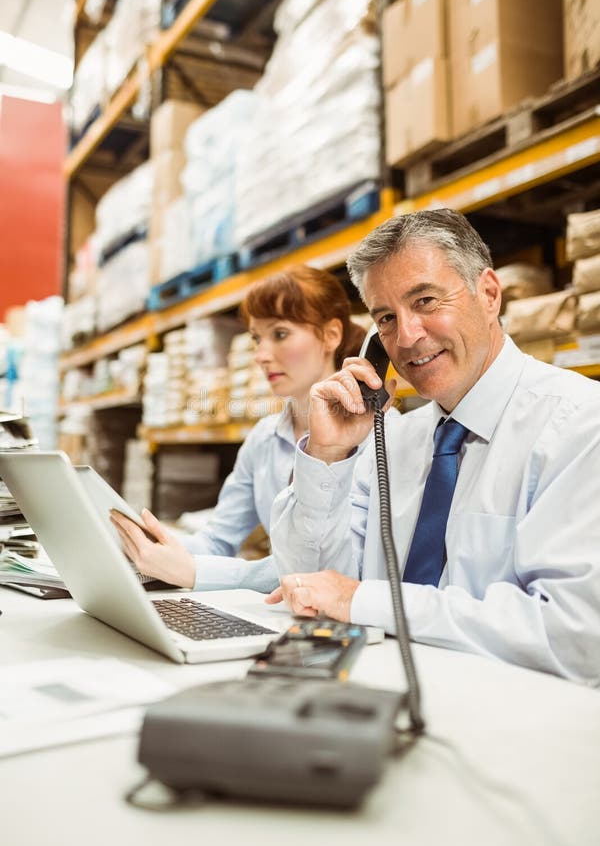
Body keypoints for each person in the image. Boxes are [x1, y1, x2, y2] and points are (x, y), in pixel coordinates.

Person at [266, 209, 600, 685]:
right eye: (386, 317)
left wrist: (365, 601)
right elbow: (309, 583)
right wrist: (328, 455)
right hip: (385, 693)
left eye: (425, 301)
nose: (406, 337)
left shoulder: (581, 425)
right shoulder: (394, 440)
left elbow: (575, 635)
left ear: (488, 295)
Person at [110, 265, 366, 592]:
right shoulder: (263, 438)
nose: (260, 355)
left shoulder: (374, 438)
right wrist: (146, 550)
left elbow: (335, 570)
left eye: (280, 334)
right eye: (257, 338)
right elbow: (218, 538)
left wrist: (196, 572)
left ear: (331, 335)